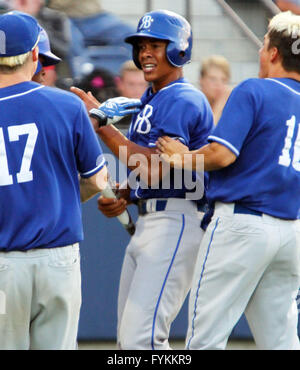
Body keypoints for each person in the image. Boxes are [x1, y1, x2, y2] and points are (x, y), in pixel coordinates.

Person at [156, 10, 300, 350]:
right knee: (281, 341)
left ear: (275, 53)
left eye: (265, 45)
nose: (262, 52)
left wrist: (182, 156)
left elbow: (222, 155)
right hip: (291, 232)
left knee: (204, 340)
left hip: (241, 225)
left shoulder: (254, 89)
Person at [71, 10, 214, 350]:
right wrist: (129, 193)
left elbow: (153, 168)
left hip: (178, 220)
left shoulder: (183, 97)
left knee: (142, 341)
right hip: (154, 219)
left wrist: (103, 126)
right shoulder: (153, 98)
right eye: (141, 45)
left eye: (156, 45)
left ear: (179, 49)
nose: (146, 52)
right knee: (131, 343)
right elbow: (150, 172)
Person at [0, 11, 108, 350]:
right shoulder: (67, 105)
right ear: (35, 55)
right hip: (56, 260)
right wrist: (58, 198)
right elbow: (98, 180)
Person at [199, 55, 232, 125]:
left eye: (223, 80)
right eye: (213, 79)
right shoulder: (193, 106)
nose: (218, 84)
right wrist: (219, 106)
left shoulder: (230, 110)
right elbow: (206, 134)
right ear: (201, 80)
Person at [114, 60, 148, 127]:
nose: (137, 90)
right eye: (131, 84)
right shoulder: (109, 114)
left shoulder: (156, 114)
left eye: (141, 84)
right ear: (120, 84)